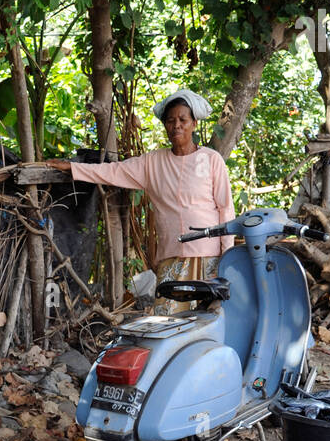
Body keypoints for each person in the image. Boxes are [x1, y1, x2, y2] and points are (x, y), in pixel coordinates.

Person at [49, 87, 235, 303]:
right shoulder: (152, 162)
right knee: (168, 322)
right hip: (171, 255)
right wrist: (72, 168)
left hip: (208, 257)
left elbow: (226, 209)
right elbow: (112, 171)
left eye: (183, 120)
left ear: (194, 124)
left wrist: (227, 255)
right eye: (171, 120)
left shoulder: (212, 160)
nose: (176, 125)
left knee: (207, 320)